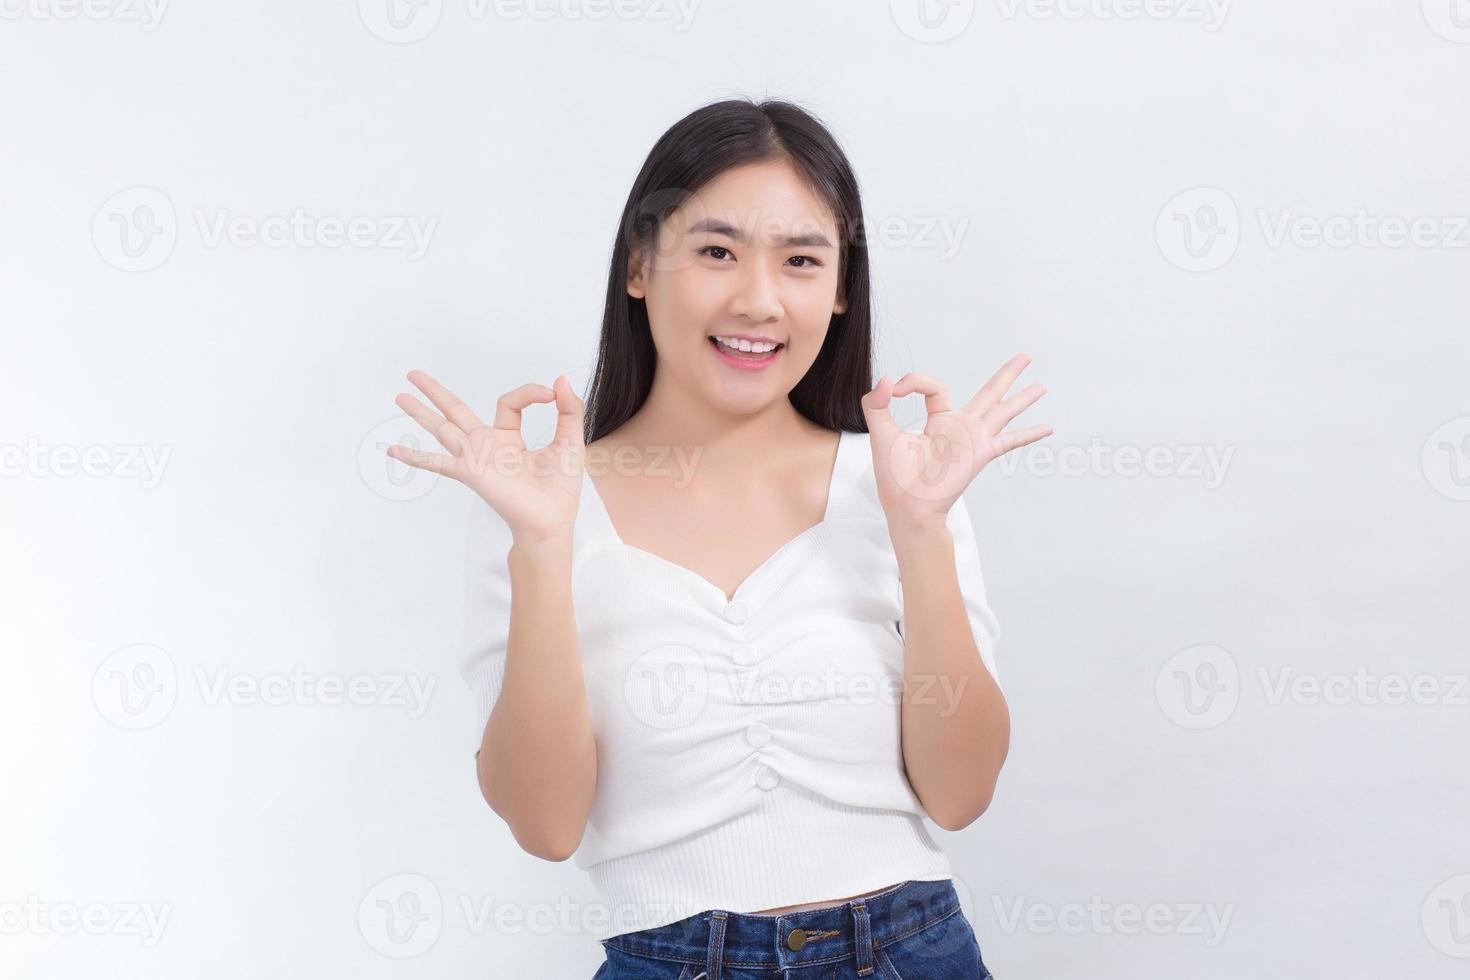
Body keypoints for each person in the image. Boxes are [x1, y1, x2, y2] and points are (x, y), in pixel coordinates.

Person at [387, 97, 1049, 979]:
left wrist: (921, 529)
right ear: (638, 266)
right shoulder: (539, 500)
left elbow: (961, 795)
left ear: (842, 288)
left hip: (911, 951)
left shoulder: (901, 482)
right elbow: (545, 825)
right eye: (716, 251)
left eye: (802, 260)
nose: (759, 299)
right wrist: (544, 546)